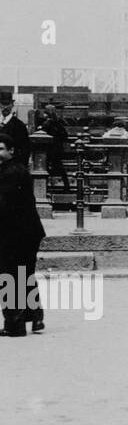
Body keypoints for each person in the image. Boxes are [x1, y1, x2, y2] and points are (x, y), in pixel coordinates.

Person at [0, 132, 46, 336]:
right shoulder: (14, 169)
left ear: (11, 150)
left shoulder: (10, 172)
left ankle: (15, 325)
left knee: (8, 276)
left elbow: (4, 206)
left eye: (0, 149)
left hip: (15, 233)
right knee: (24, 274)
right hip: (25, 232)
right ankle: (35, 317)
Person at [37, 102, 70, 192]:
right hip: (57, 149)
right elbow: (65, 136)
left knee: (45, 168)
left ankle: (44, 188)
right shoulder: (58, 123)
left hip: (49, 150)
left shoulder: (46, 123)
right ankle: (66, 186)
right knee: (60, 168)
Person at [0, 93, 31, 166]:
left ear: (12, 105)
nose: (5, 107)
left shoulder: (19, 126)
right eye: (3, 104)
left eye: (8, 104)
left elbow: (25, 150)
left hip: (12, 166)